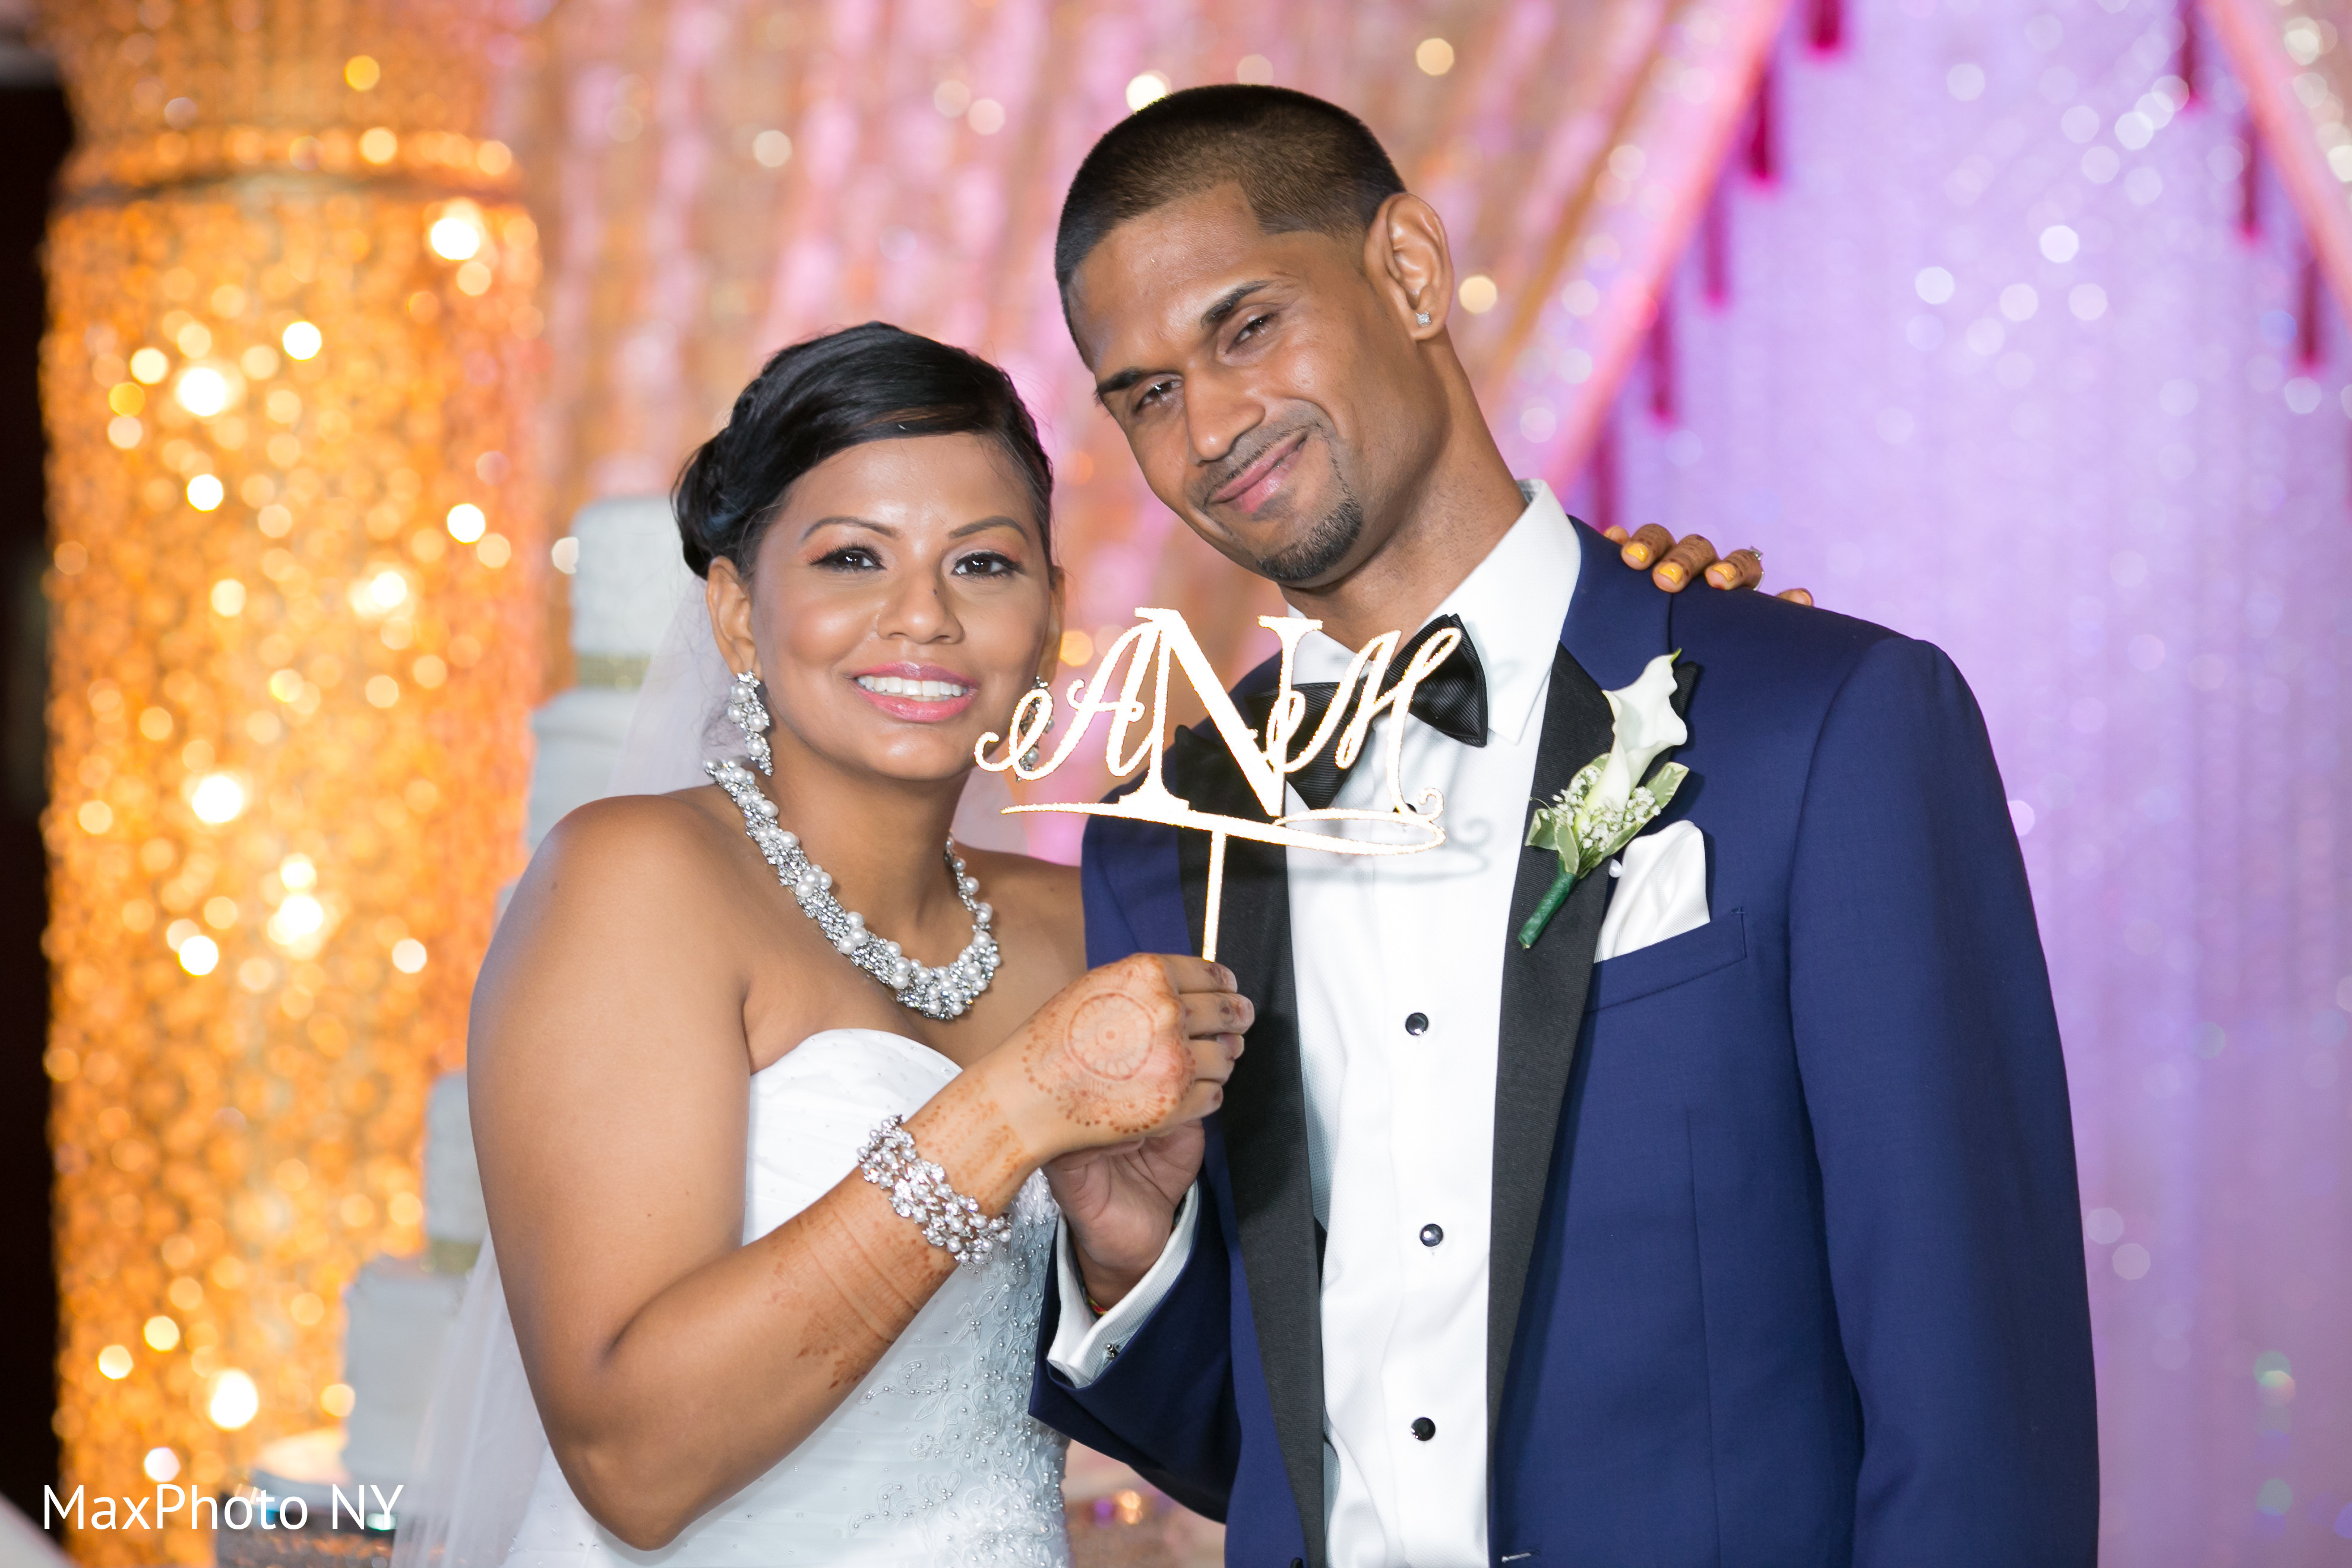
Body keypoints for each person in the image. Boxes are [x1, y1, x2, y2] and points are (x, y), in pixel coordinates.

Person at [393, 321, 1759, 1567]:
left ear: (1049, 616)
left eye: (981, 563)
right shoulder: (636, 880)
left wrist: (1615, 630)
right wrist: (1008, 1113)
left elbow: (1255, 1401)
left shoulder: (1089, 915)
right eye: (851, 557)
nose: (923, 615)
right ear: (740, 614)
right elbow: (634, 1462)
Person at [1032, 86, 2098, 1568]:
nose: (1207, 425)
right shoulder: (1164, 842)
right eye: (1144, 392)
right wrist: (1129, 1252)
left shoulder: (1822, 725)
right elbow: (1258, 1437)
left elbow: (1976, 1390)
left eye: (1248, 327)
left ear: (1408, 269)